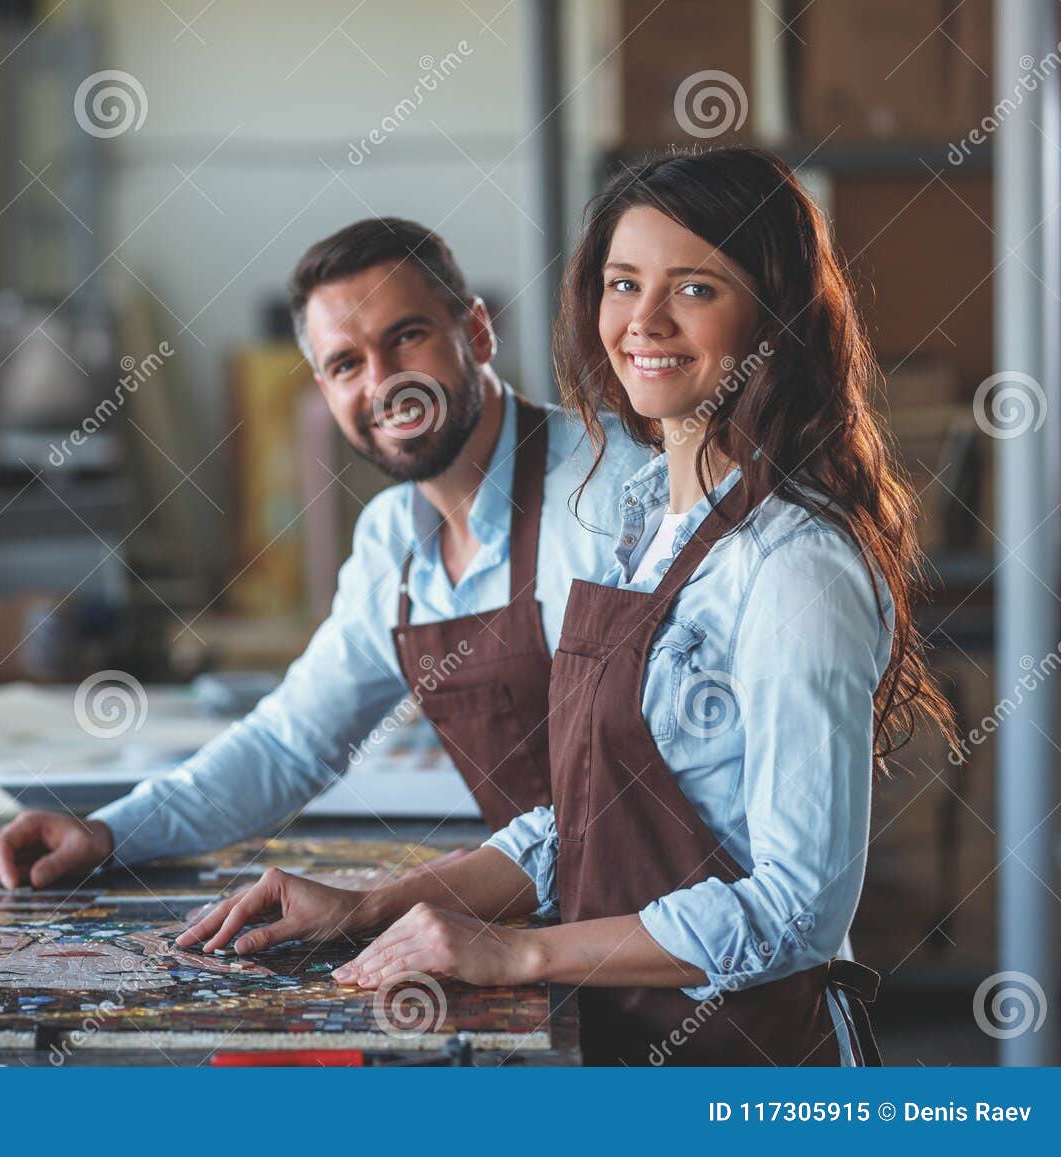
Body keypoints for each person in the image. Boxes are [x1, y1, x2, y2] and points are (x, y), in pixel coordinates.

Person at [179, 148, 955, 1067]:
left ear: (775, 319)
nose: (645, 321)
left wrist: (518, 949)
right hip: (619, 1036)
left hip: (748, 1061)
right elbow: (578, 824)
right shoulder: (642, 523)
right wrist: (369, 907)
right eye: (624, 283)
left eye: (696, 289)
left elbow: (799, 907)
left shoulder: (795, 565)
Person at [0, 217, 652, 889]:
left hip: (675, 936)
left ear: (475, 332)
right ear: (324, 388)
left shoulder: (618, 490)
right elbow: (289, 745)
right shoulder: (393, 543)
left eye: (406, 337)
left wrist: (402, 900)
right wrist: (109, 831)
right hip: (552, 919)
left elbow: (672, 784)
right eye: (346, 364)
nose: (384, 382)